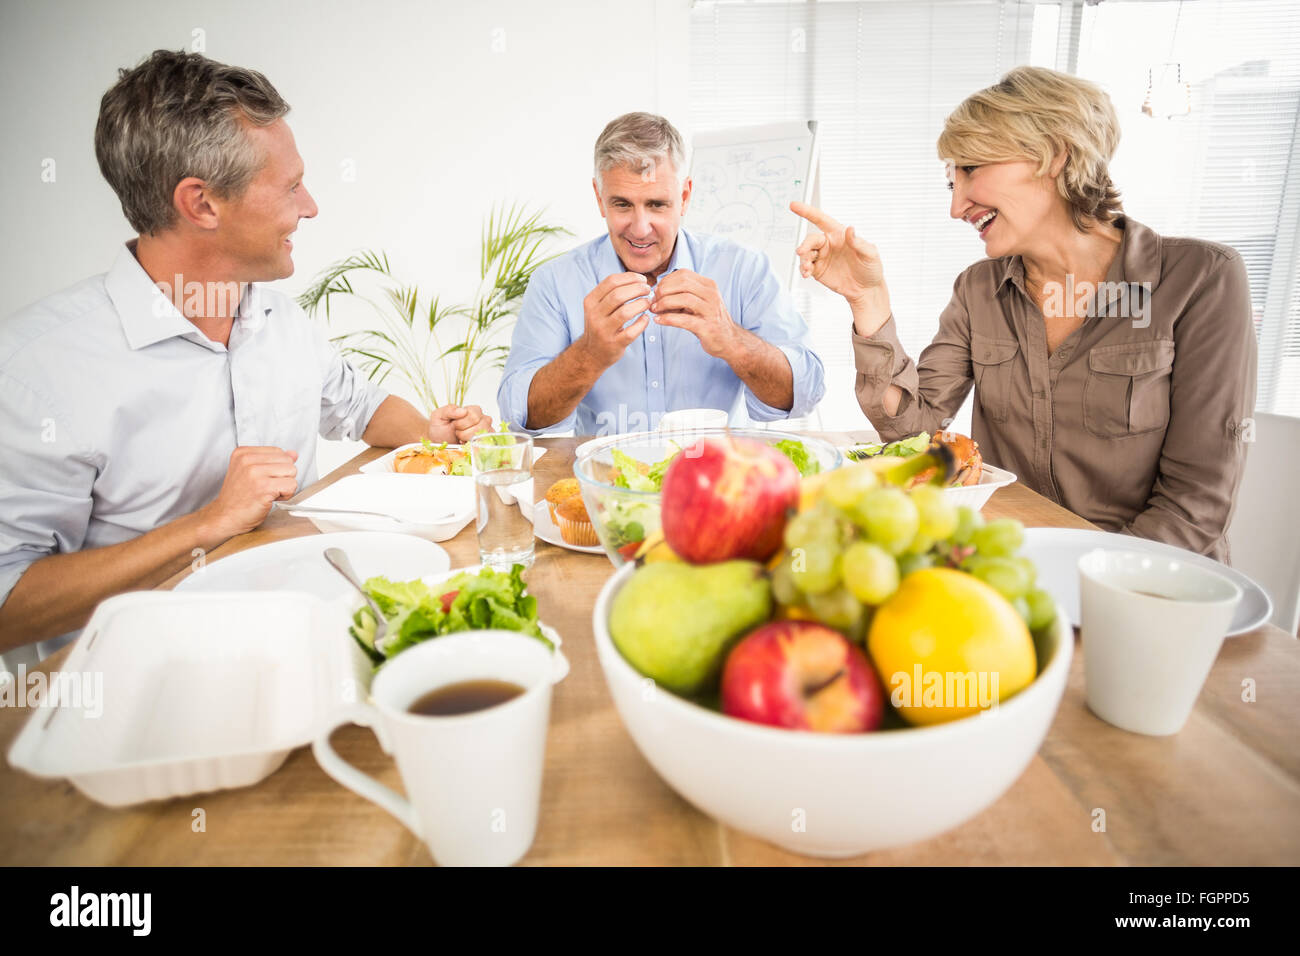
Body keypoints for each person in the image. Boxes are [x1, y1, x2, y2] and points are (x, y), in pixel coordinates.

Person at [0, 50, 490, 655]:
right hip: (152, 690)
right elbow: (8, 608)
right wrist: (205, 525)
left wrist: (428, 436)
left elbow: (357, 404)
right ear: (201, 203)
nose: (310, 206)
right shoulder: (35, 371)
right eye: (291, 186)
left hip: (313, 635)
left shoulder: (280, 319)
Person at [792, 66, 1256, 560]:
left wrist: (1082, 581)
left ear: (1055, 155)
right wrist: (869, 300)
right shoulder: (979, 289)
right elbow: (916, 438)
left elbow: (1195, 505)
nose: (956, 206)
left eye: (971, 170)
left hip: (1148, 584)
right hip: (1017, 565)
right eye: (951, 180)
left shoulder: (1200, 279)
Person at [497, 112, 824, 436]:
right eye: (622, 205)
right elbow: (521, 416)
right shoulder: (555, 282)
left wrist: (732, 340)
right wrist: (589, 354)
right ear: (600, 199)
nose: (640, 229)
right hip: (606, 481)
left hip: (717, 478)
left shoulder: (744, 269)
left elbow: (805, 392)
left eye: (656, 204)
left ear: (684, 197)